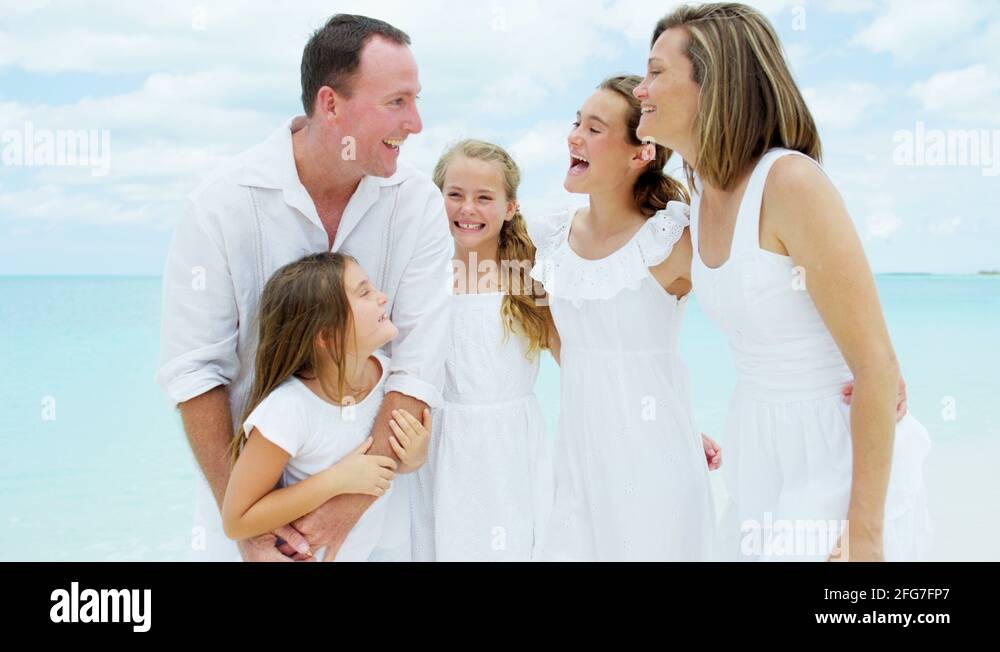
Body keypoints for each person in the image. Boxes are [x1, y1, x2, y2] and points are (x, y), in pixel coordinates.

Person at [634, 2, 931, 560]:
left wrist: (863, 534)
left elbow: (875, 367)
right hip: (760, 446)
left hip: (835, 453)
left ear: (713, 85)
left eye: (656, 72)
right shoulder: (702, 197)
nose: (640, 89)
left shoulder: (790, 182)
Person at [155, 14, 452, 561]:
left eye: (415, 100)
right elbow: (196, 370)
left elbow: (418, 364)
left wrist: (335, 520)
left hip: (377, 522)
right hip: (247, 523)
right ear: (330, 104)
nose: (415, 123)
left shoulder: (418, 205)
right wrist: (253, 535)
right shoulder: (221, 204)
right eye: (396, 102)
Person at [529, 76, 719, 561]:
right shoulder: (551, 237)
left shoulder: (673, 239)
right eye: (576, 122)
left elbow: (756, 306)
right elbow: (564, 345)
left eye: (594, 129)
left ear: (642, 154)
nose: (574, 136)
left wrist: (857, 366)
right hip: (580, 461)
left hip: (657, 464)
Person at [410, 140, 555, 561]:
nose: (467, 209)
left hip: (509, 449)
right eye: (454, 195)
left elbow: (580, 365)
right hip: (438, 445)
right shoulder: (422, 278)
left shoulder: (529, 279)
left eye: (484, 198)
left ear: (510, 207)